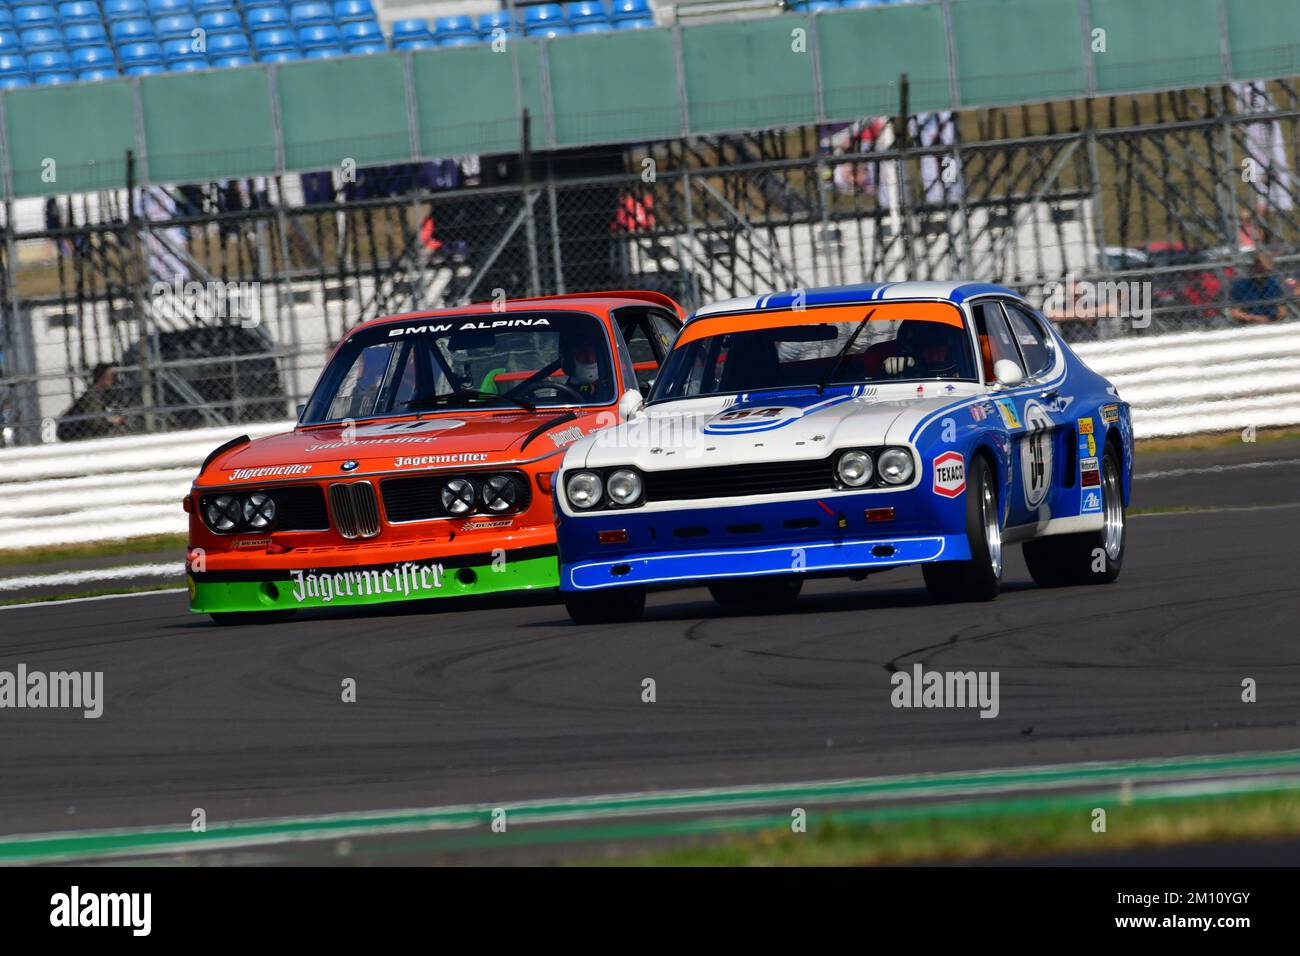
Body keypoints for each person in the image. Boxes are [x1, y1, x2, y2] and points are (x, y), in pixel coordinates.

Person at [56, 363, 129, 442]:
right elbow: (96, 422)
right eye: (109, 376)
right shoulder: (93, 395)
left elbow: (116, 410)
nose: (112, 379)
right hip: (76, 433)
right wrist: (112, 422)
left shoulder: (108, 393)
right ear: (102, 377)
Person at [881, 321, 965, 377]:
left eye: (939, 344)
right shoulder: (905, 367)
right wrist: (891, 370)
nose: (934, 355)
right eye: (926, 345)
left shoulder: (967, 365)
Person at [1229, 249, 1287, 324]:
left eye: (1265, 272)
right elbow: (1235, 312)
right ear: (1253, 268)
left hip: (1272, 321)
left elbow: (1282, 308)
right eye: (1259, 270)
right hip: (1250, 323)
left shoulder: (1273, 283)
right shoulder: (1241, 284)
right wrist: (1253, 318)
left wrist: (1278, 316)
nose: (1261, 275)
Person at [559, 334, 607, 399]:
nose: (590, 358)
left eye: (594, 352)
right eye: (582, 352)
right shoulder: (564, 394)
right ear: (569, 360)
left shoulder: (613, 388)